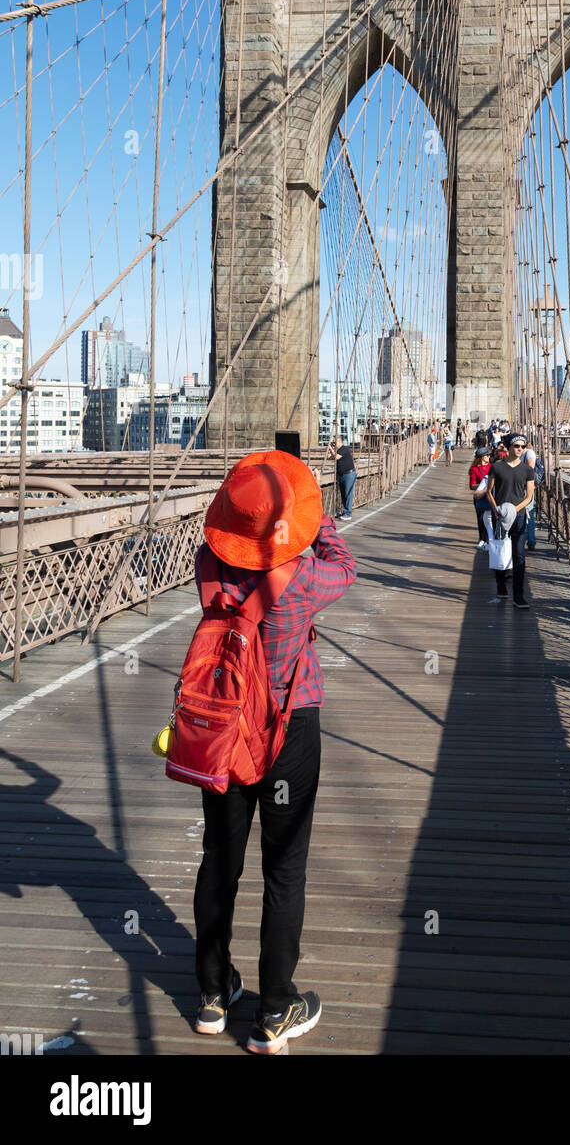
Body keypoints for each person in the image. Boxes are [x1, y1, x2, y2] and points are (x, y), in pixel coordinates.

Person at [191, 450, 356, 1053]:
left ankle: (211, 994)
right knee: (284, 869)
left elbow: (219, 537)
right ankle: (276, 1009)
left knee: (220, 860)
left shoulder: (210, 565)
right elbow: (346, 565)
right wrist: (318, 520)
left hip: (224, 733)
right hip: (288, 732)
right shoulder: (305, 576)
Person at [485, 432, 534, 609]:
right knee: (499, 550)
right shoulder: (497, 467)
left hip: (519, 516)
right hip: (500, 515)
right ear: (509, 447)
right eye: (516, 446)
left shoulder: (527, 470)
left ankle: (518, 595)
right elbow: (489, 490)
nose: (520, 449)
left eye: (523, 447)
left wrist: (515, 510)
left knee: (519, 555)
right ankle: (501, 587)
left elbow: (529, 496)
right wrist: (496, 509)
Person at [325, 436, 356, 521]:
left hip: (348, 474)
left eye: (335, 443)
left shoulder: (344, 449)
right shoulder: (338, 450)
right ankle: (345, 512)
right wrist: (329, 449)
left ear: (339, 442)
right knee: (343, 494)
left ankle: (348, 513)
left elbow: (336, 457)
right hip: (342, 475)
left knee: (348, 494)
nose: (334, 445)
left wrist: (331, 448)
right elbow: (329, 457)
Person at [468, 448, 492, 548]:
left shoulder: (492, 467)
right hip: (480, 496)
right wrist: (482, 485)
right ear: (482, 457)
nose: (489, 456)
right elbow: (471, 485)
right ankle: (482, 539)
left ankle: (489, 540)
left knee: (490, 519)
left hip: (491, 496)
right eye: (487, 455)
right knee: (481, 519)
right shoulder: (474, 469)